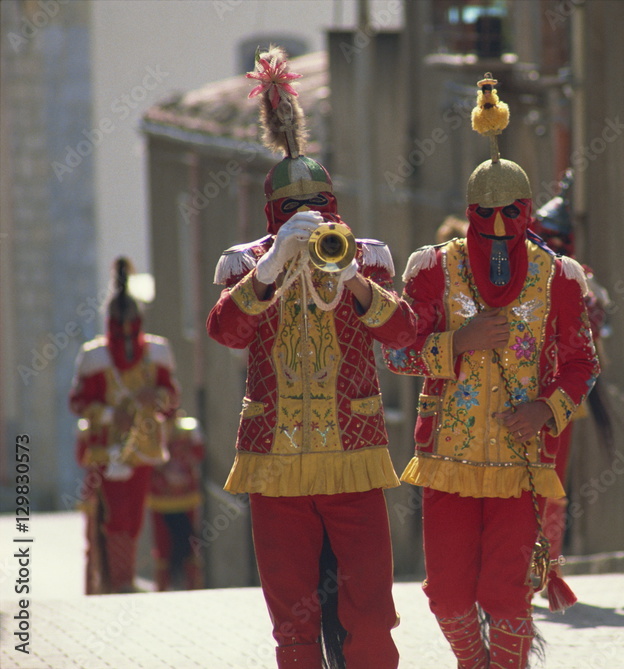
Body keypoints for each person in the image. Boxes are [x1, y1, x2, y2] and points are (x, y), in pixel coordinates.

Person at [206, 46, 416, 669]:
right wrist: (269, 268)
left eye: (317, 210)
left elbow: (403, 332)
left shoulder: (366, 256)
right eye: (292, 213)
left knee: (372, 617)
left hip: (355, 455)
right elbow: (225, 333)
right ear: (273, 215)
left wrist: (352, 279)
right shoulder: (246, 263)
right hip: (273, 460)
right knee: (293, 623)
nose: (307, 220)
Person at [383, 75, 600, 669]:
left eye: (513, 213)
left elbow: (584, 363)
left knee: (506, 597)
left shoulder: (560, 277)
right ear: (469, 212)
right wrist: (460, 341)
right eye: (487, 214)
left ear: (528, 211)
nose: (501, 227)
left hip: (522, 464)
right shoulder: (432, 270)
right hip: (445, 464)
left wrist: (546, 410)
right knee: (448, 596)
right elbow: (398, 352)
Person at [70, 257, 179, 594]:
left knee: (133, 516)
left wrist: (156, 395)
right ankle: (114, 582)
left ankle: (124, 578)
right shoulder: (94, 356)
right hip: (105, 448)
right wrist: (105, 413)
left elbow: (172, 399)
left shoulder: (158, 352)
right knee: (109, 516)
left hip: (143, 447)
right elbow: (77, 402)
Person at [528, 169, 614, 581]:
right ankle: (517, 568)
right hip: (515, 392)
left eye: (564, 240)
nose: (557, 246)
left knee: (554, 484)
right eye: (551, 236)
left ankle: (549, 570)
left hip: (561, 398)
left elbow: (588, 345)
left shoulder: (576, 282)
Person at [148, 409, 205, 591]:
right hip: (160, 497)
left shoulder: (188, 428)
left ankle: (191, 586)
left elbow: (198, 453)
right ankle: (164, 588)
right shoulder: (149, 430)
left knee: (189, 543)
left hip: (185, 496)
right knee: (163, 545)